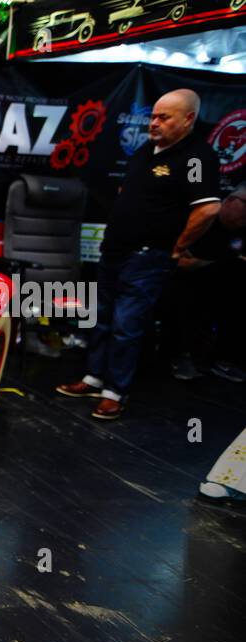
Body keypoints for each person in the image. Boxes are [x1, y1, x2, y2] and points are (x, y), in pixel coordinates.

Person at [56, 89, 220, 421]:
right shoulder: (147, 151)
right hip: (115, 249)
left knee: (126, 325)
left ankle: (115, 391)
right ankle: (94, 378)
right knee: (100, 317)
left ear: (188, 119)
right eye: (153, 116)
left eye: (164, 117)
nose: (154, 123)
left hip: (147, 256)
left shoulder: (195, 159)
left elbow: (207, 209)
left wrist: (176, 247)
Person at [169, 185, 246, 382]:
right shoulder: (201, 218)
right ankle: (180, 355)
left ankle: (224, 359)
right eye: (242, 211)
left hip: (227, 284)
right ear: (228, 202)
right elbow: (179, 260)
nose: (241, 221)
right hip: (189, 279)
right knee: (184, 296)